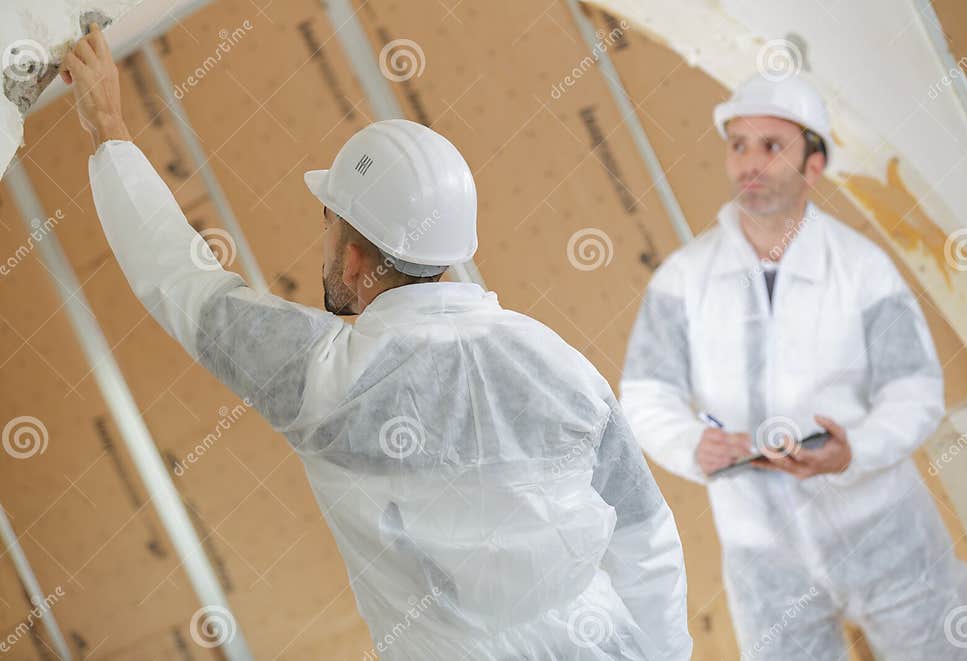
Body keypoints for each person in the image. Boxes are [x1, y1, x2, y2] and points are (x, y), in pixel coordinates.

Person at [63, 25, 692, 660]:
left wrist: (108, 129)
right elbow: (646, 536)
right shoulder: (561, 366)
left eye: (329, 225)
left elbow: (181, 281)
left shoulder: (327, 383)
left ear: (355, 259)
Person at [621, 72, 967, 660]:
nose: (750, 163)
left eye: (771, 146)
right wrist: (692, 446)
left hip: (882, 530)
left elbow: (915, 388)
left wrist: (854, 450)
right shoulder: (683, 280)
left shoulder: (862, 268)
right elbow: (645, 391)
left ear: (813, 165)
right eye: (738, 145)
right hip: (762, 549)